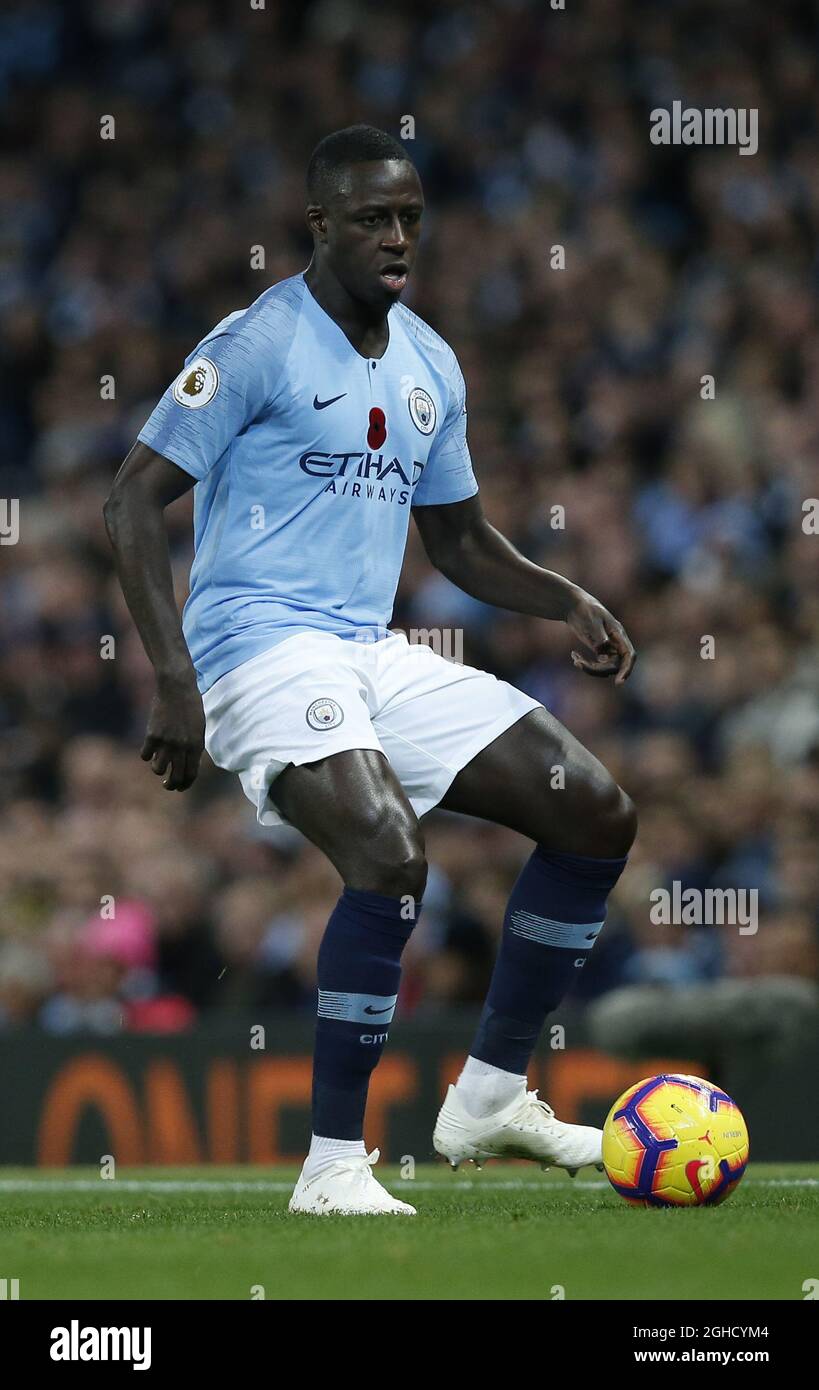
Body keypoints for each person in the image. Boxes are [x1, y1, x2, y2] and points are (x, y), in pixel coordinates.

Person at [104, 125, 637, 1216]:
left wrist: (566, 596)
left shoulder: (430, 361)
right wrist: (171, 675)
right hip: (253, 646)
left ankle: (489, 1097)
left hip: (366, 648)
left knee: (592, 810)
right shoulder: (254, 344)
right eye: (372, 219)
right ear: (320, 224)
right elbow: (126, 502)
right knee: (390, 853)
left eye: (410, 219)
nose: (397, 238)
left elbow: (460, 543)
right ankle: (332, 1165)